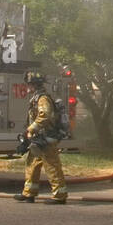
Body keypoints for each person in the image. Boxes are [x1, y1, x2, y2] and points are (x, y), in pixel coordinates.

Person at [13, 71, 67, 204]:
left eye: (29, 85)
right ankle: (29, 193)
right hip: (39, 138)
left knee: (51, 166)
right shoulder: (37, 97)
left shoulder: (42, 98)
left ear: (33, 85)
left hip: (46, 138)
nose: (27, 87)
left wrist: (32, 128)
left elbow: (45, 115)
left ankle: (60, 196)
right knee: (32, 163)